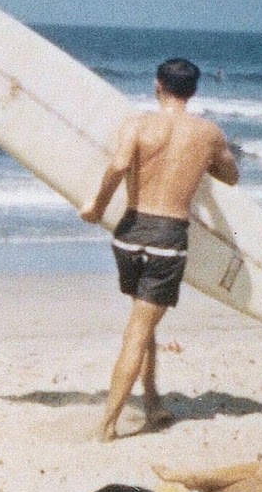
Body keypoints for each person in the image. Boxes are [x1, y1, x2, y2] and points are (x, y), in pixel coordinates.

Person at [80, 57, 238, 442]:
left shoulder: (136, 123)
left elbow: (119, 165)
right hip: (168, 237)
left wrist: (97, 207)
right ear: (193, 91)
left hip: (129, 232)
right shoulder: (208, 133)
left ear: (157, 85)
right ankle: (107, 425)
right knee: (139, 329)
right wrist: (199, 162)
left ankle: (151, 400)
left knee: (143, 319)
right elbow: (231, 176)